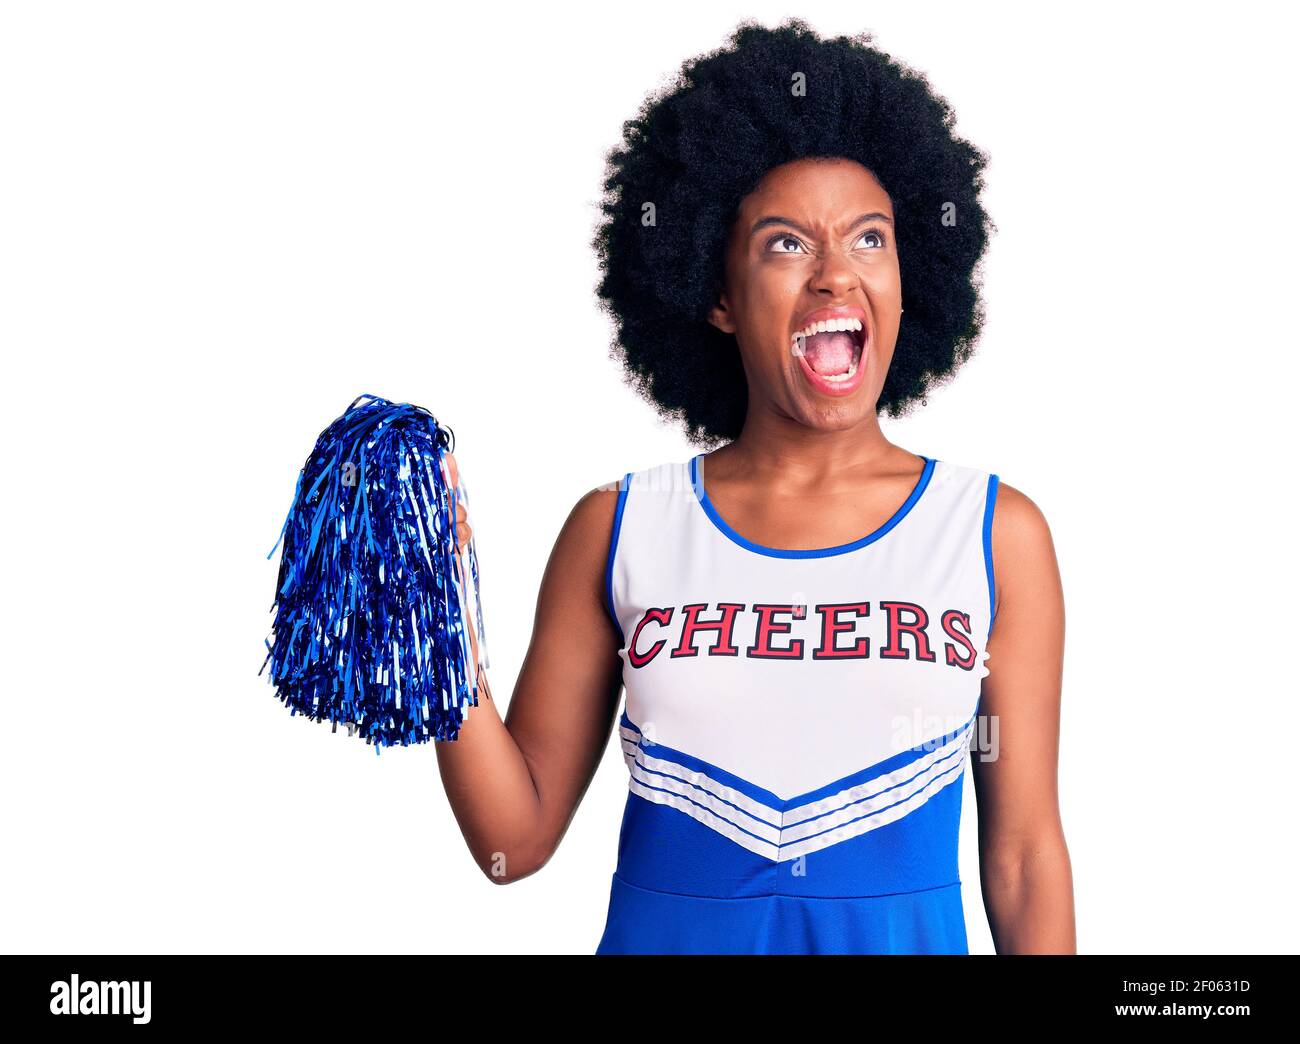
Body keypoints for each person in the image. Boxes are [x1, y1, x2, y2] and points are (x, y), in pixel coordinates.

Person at [436, 18, 1073, 955]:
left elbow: (1019, 856)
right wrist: (435, 623)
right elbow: (510, 841)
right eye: (785, 246)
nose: (834, 277)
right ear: (718, 294)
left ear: (909, 281)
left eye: (869, 240)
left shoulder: (989, 532)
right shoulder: (620, 527)